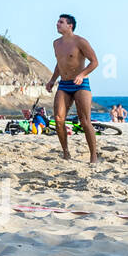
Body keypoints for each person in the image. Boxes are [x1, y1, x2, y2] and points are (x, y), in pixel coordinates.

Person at [45, 14, 100, 163]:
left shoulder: (80, 42)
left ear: (70, 26)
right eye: (57, 21)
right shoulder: (56, 43)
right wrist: (52, 80)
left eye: (61, 22)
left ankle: (93, 155)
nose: (57, 24)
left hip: (80, 85)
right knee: (58, 119)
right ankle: (66, 152)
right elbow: (59, 64)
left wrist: (82, 75)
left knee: (85, 120)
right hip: (64, 84)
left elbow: (94, 62)